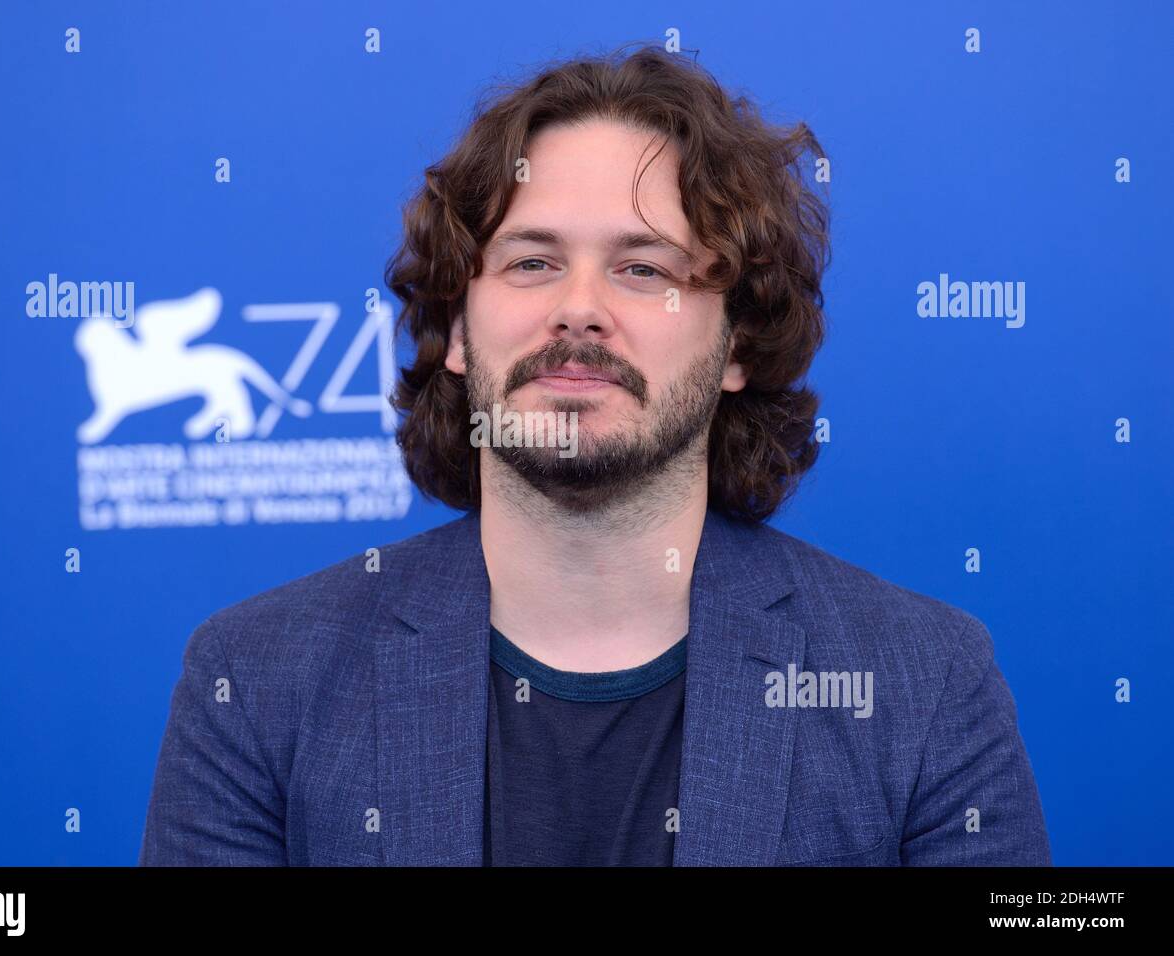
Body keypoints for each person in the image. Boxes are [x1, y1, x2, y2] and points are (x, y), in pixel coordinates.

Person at [139, 43, 1050, 866]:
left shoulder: (923, 684)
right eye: (532, 263)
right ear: (456, 329)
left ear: (737, 346)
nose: (579, 308)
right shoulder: (256, 681)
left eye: (644, 269)